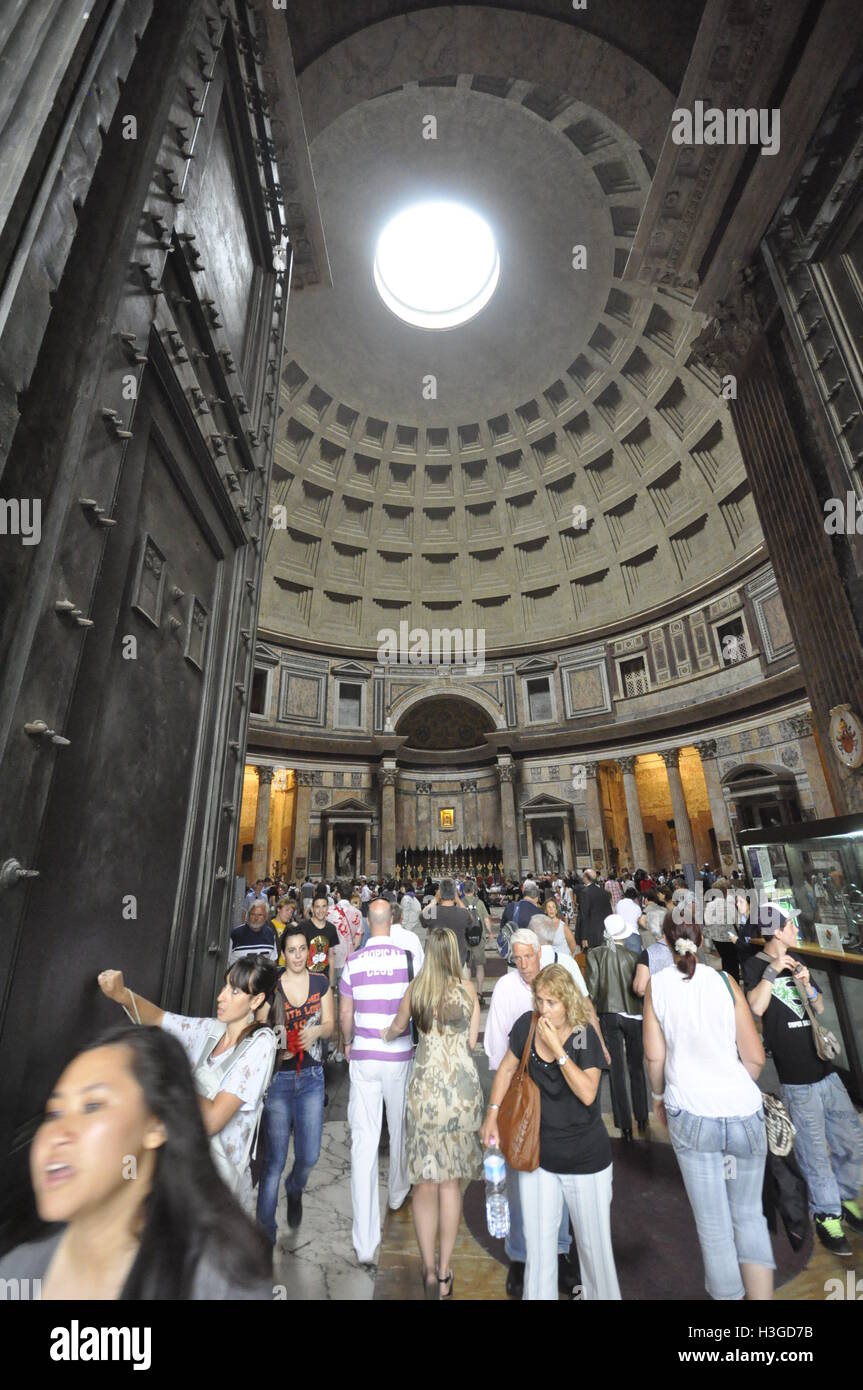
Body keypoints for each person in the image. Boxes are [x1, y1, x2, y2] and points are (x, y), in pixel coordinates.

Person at [0, 1027, 273, 1298]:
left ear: (156, 1124)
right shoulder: (14, 1273)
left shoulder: (221, 1286)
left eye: (93, 1106)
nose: (58, 1134)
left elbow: (213, 1118)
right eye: (54, 1113)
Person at [643, 917, 774, 1300]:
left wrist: (658, 1097)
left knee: (714, 1226)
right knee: (750, 1216)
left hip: (693, 1111)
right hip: (743, 1112)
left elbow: (655, 1056)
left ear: (665, 943)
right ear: (701, 943)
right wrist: (731, 1089)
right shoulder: (724, 981)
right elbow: (755, 1058)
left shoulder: (659, 985)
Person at [482, 965, 620, 1301]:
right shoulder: (526, 1027)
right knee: (539, 1250)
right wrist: (492, 1114)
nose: (544, 1009)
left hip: (586, 1160)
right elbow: (507, 1068)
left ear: (567, 1001)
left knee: (594, 1252)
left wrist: (558, 1050)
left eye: (552, 1003)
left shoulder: (583, 1034)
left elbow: (588, 1092)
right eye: (540, 1001)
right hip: (539, 1157)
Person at [98, 959, 278, 1199]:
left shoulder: (261, 1044)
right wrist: (121, 994)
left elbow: (212, 1120)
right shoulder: (212, 1029)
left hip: (216, 1184)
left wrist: (169, 1075)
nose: (221, 997)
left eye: (234, 991)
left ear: (256, 1000)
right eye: (224, 987)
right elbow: (161, 1019)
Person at [743, 907, 863, 1255]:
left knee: (850, 1140)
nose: (796, 928)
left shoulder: (797, 961)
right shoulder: (755, 966)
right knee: (813, 1151)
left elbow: (821, 1008)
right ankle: (827, 1215)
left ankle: (846, 1200)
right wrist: (772, 970)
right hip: (796, 1078)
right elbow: (756, 1006)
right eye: (790, 924)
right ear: (776, 932)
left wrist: (809, 986)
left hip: (825, 1069)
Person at [382, 928, 482, 1298]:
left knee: (424, 1182)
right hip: (460, 1091)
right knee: (450, 1181)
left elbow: (396, 1027)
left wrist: (383, 1035)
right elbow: (472, 1042)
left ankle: (426, 1268)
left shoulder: (416, 989)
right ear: (454, 953)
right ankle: (444, 1271)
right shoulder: (468, 990)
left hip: (425, 1089)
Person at [483, 928, 578, 1298]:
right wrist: (497, 1106)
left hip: (559, 1089)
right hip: (522, 1092)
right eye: (517, 958)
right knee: (520, 1172)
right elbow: (496, 1049)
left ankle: (561, 1250)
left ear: (541, 953)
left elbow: (579, 1023)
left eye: (529, 957)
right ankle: (520, 1256)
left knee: (561, 1170)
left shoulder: (561, 978)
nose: (523, 965)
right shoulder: (507, 989)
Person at [339, 899, 414, 1266]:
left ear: (368, 922)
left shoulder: (353, 961)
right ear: (394, 920)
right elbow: (414, 1006)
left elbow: (345, 1012)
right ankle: (398, 1192)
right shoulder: (406, 960)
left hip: (365, 1056)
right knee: (399, 1127)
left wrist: (348, 1042)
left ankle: (365, 1241)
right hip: (398, 1056)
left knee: (364, 1142)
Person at [256, 924, 334, 1241]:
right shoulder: (272, 986)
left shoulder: (320, 982)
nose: (299, 955)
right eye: (292, 950)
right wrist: (278, 1040)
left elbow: (330, 1026)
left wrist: (315, 1032)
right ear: (282, 953)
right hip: (279, 1081)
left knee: (309, 1155)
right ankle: (265, 1235)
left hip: (312, 1077)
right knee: (274, 1160)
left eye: (303, 949)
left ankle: (295, 1186)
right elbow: (258, 1027)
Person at [586, 914, 647, 1141]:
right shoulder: (636, 956)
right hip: (634, 1015)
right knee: (636, 1068)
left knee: (616, 1070)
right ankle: (642, 1117)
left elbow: (590, 990)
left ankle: (624, 1125)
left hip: (608, 1014)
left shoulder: (595, 955)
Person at [421, 878, 472, 973]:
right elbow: (470, 918)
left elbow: (422, 916)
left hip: (437, 963)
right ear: (454, 893)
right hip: (458, 962)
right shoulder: (463, 913)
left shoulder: (433, 913)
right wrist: (458, 899)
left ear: (440, 893)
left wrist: (435, 900)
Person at [301, 887, 339, 989]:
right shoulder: (303, 927)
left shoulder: (331, 928)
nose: (320, 910)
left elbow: (331, 956)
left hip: (324, 979)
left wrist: (331, 983)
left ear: (328, 908)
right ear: (312, 908)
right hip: (306, 979)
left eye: (323, 906)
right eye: (317, 907)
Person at [462, 877, 491, 999]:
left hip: (465, 938)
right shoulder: (479, 903)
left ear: (463, 891)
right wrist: (490, 932)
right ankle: (479, 992)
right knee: (479, 966)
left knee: (467, 967)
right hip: (479, 939)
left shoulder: (461, 903)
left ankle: (468, 993)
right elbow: (486, 919)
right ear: (474, 890)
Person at [229, 898, 278, 963]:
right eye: (253, 914)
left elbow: (273, 960)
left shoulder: (270, 934)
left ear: (266, 917)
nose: (256, 918)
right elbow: (226, 960)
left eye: (260, 915)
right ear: (248, 915)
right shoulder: (235, 934)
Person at [577, 869, 613, 949]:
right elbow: (610, 912)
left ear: (586, 877)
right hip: (605, 932)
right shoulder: (605, 892)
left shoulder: (585, 892)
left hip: (591, 933)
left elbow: (584, 915)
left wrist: (584, 937)